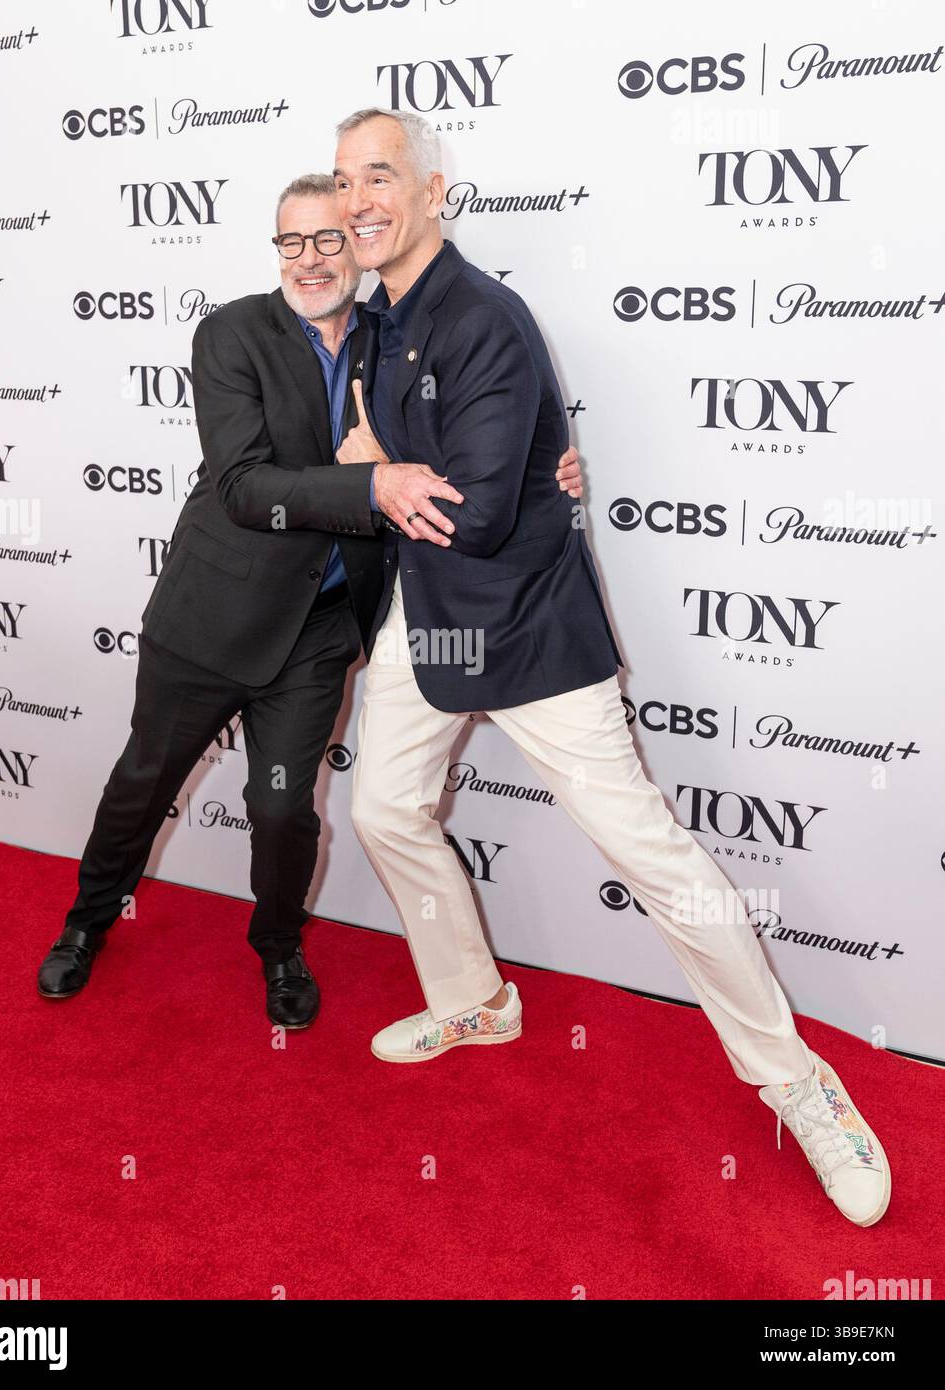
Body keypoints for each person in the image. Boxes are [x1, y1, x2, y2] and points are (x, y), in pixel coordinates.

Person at [334, 108, 890, 1228]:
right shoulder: (377, 319)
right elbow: (463, 479)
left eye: (380, 175)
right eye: (345, 181)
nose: (358, 201)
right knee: (385, 806)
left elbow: (479, 511)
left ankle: (799, 1082)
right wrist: (404, 470)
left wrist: (378, 470)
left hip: (532, 630)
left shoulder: (485, 316)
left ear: (436, 191)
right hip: (433, 620)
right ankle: (477, 1000)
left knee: (657, 859)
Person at [36, 173, 583, 1030]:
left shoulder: (395, 338)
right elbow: (246, 485)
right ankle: (87, 920)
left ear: (357, 246)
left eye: (328, 239)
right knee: (144, 783)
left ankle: (279, 944)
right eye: (290, 242)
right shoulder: (230, 334)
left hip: (320, 631)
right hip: (210, 618)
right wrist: (371, 484)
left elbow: (473, 438)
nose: (309, 259)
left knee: (284, 805)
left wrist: (546, 471)